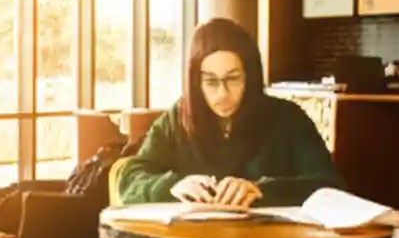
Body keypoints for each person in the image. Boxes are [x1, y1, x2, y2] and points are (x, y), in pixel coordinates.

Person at [117, 17, 344, 207]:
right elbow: (129, 179)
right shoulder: (179, 118)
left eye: (233, 79)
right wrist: (172, 186)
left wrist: (262, 190)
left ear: (250, 76)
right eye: (211, 82)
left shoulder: (287, 118)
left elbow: (329, 185)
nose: (222, 94)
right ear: (195, 83)